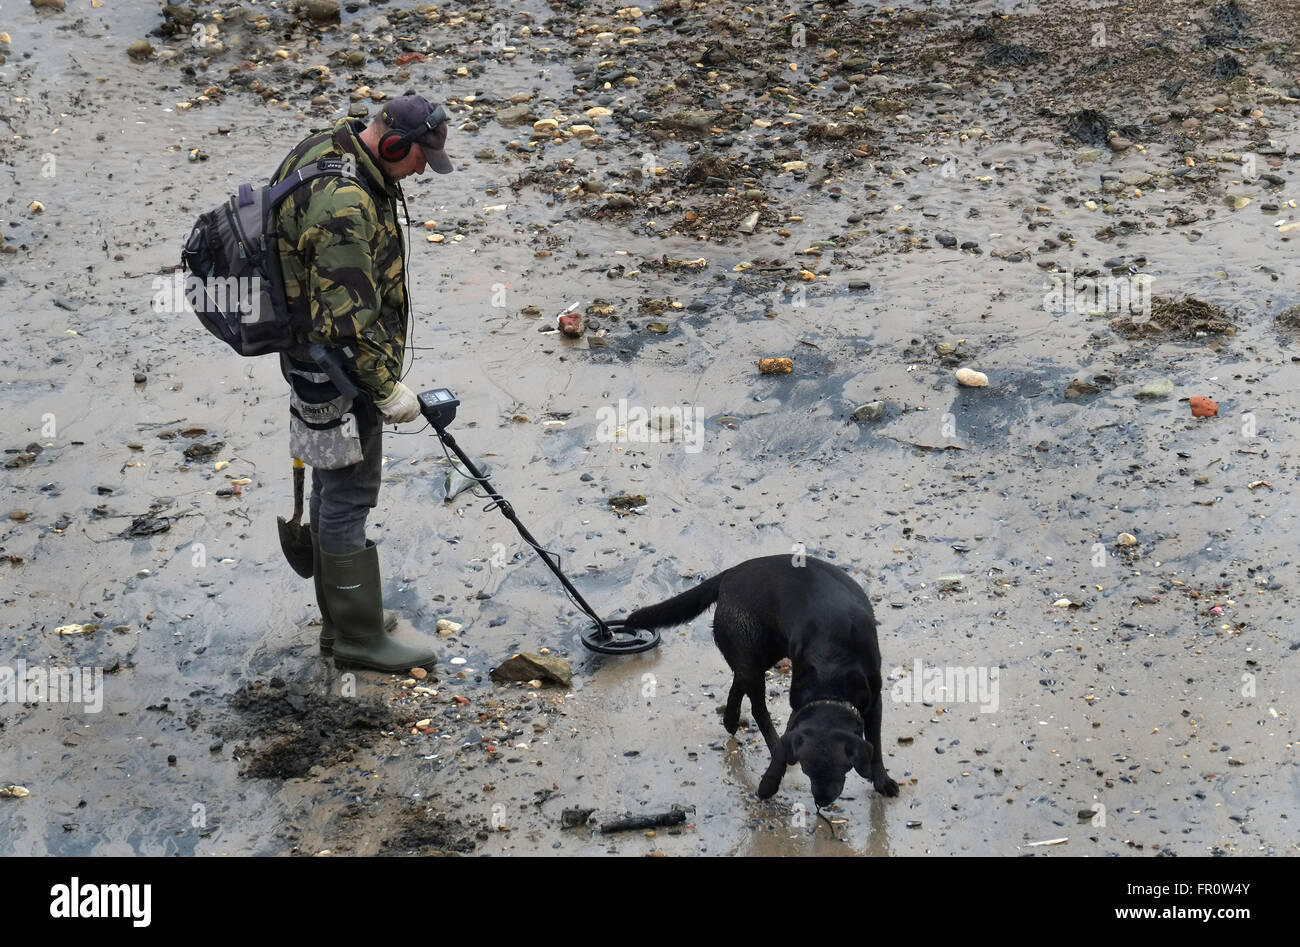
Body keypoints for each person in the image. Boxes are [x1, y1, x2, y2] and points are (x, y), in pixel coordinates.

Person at [272, 93, 452, 671]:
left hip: (310, 362)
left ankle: (342, 619)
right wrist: (386, 391)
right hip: (336, 373)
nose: (423, 169)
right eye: (420, 157)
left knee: (331, 488)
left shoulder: (333, 147)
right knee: (349, 495)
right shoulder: (344, 205)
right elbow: (344, 327)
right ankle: (356, 638)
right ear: (394, 143)